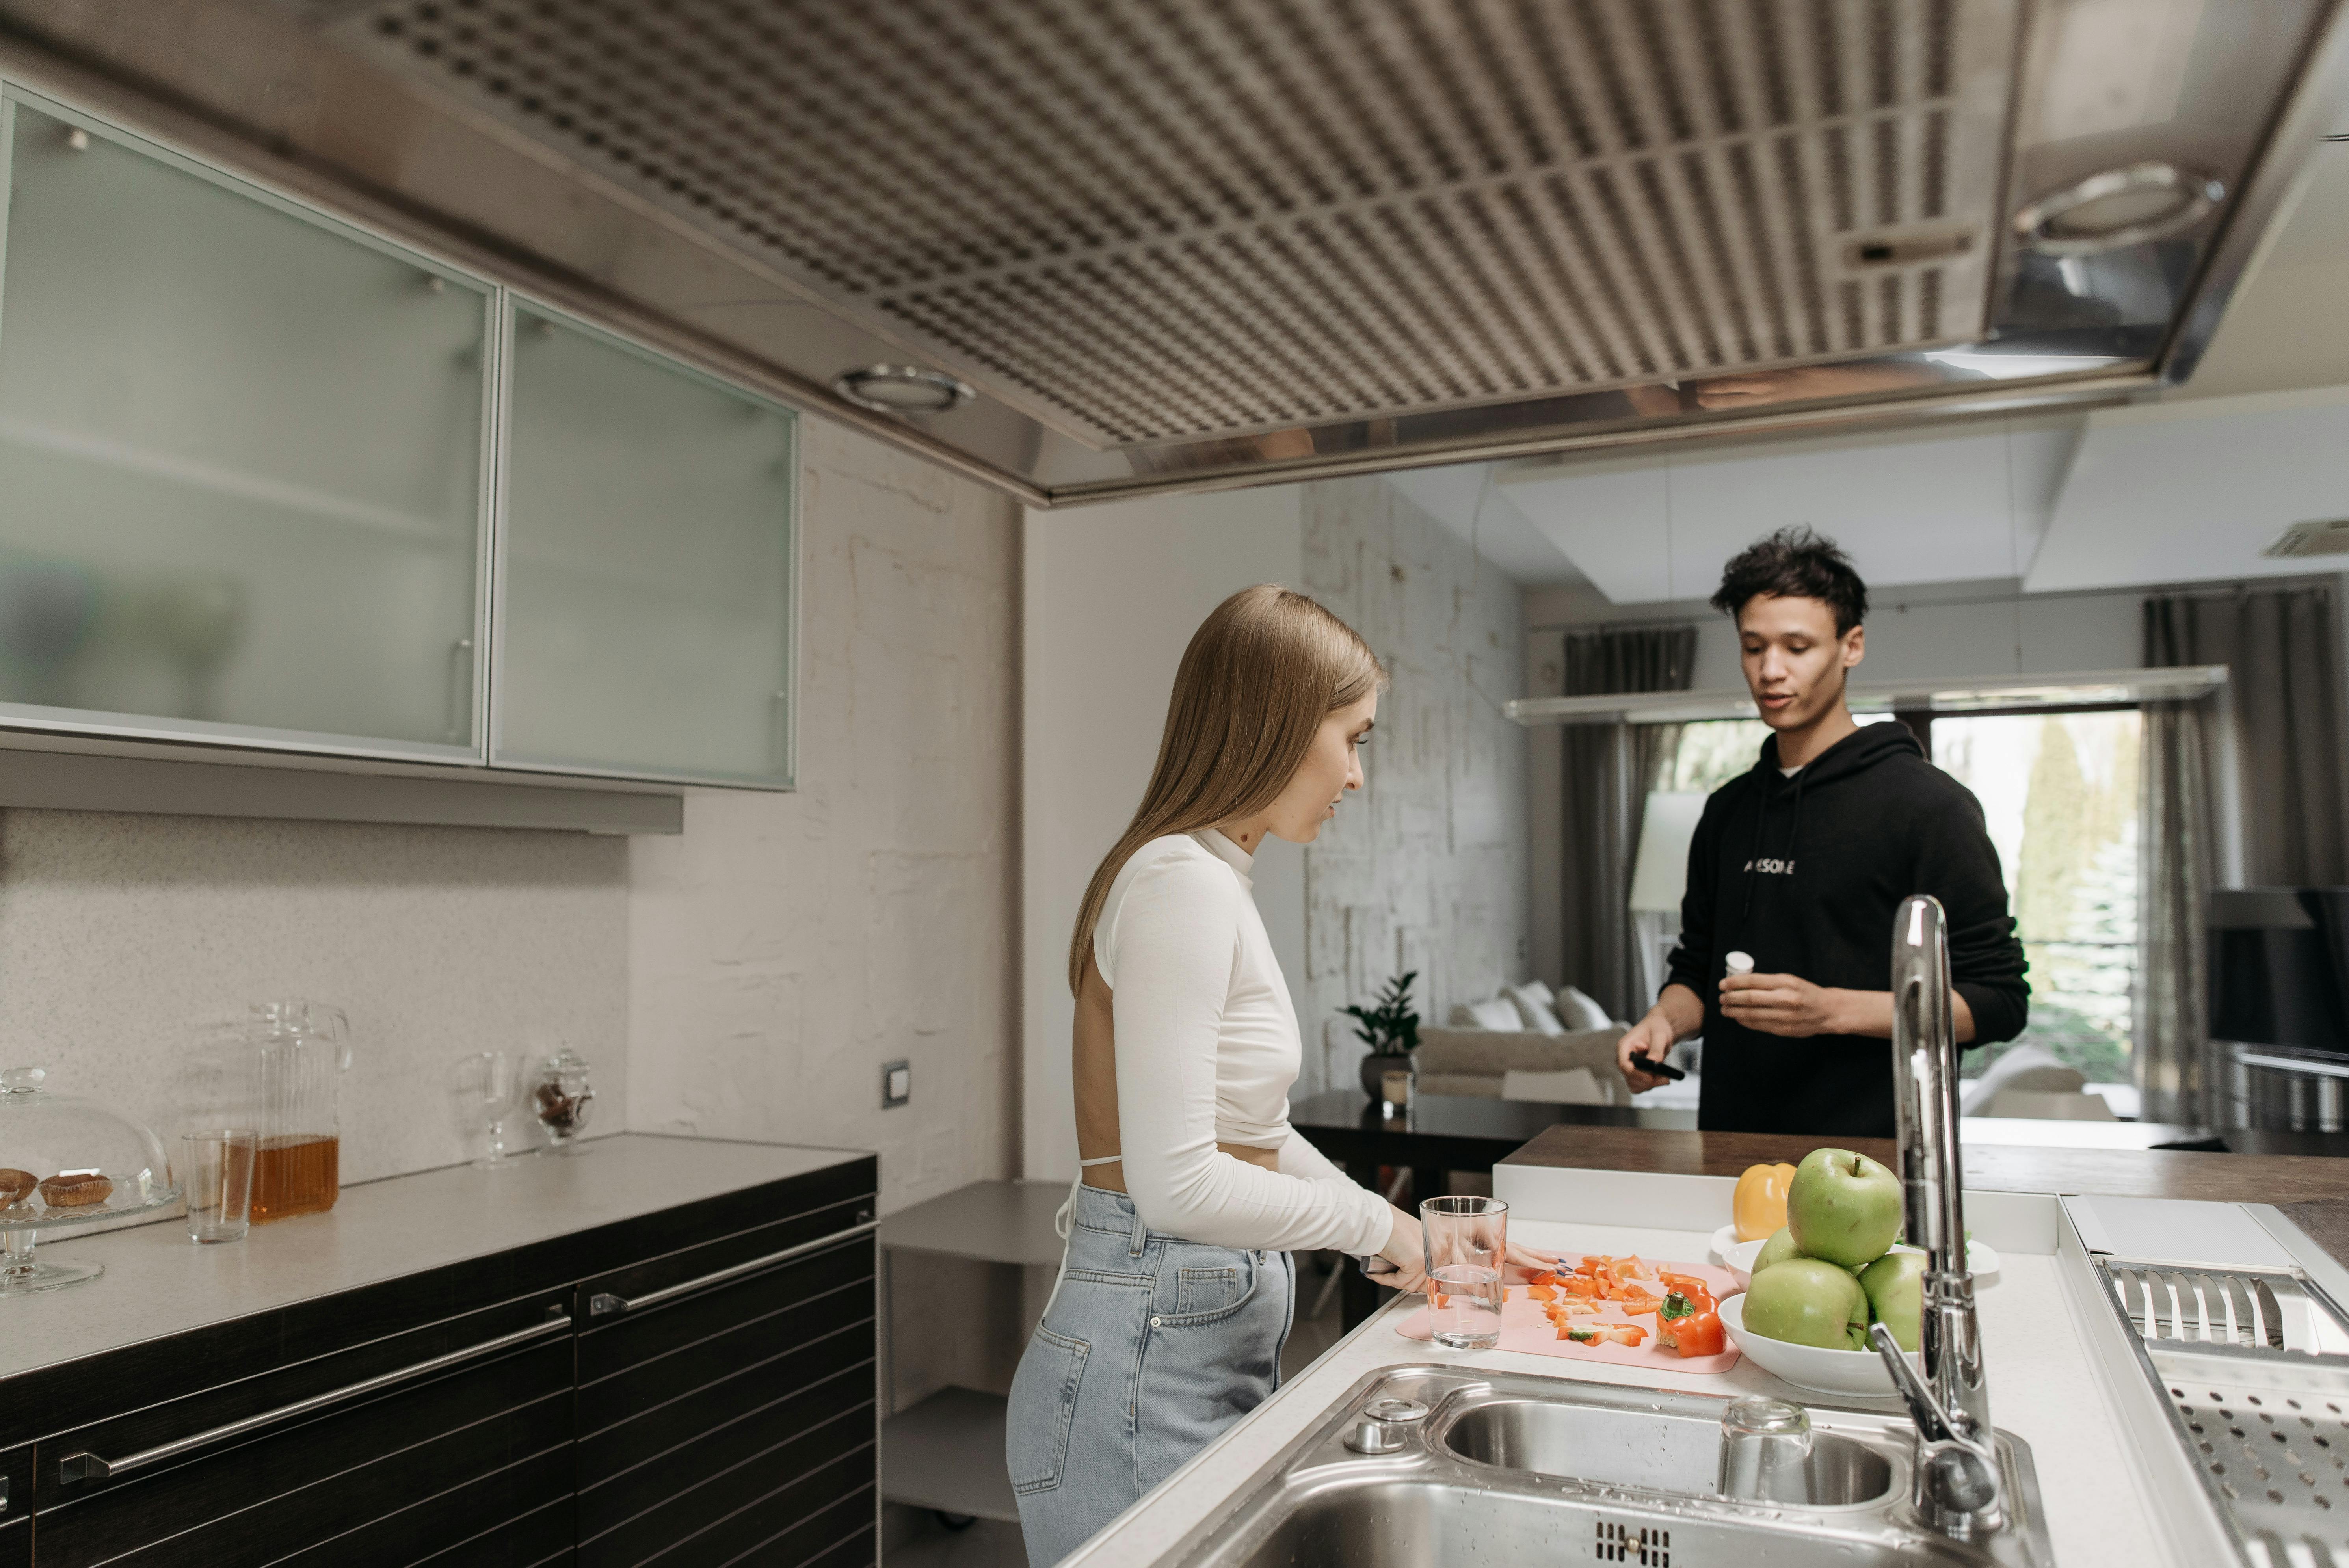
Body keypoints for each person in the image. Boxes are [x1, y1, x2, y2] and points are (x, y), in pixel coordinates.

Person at [1007, 585, 1550, 1567]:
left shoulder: (1205, 877)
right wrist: (1382, 1228)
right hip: (1138, 1379)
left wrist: (1412, 1233)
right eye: (1353, 737)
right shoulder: (1180, 885)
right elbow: (1179, 1186)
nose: (1355, 774)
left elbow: (1250, 1128)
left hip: (1170, 1363)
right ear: (1277, 723)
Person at [1612, 528, 2029, 1136]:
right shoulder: (1728, 810)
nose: (1770, 670)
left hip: (1873, 1166)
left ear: (1850, 646)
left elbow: (1997, 1003)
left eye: (1796, 646)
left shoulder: (1929, 806)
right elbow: (1697, 969)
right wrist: (1663, 1023)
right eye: (1753, 648)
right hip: (1730, 1149)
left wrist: (1830, 1010)